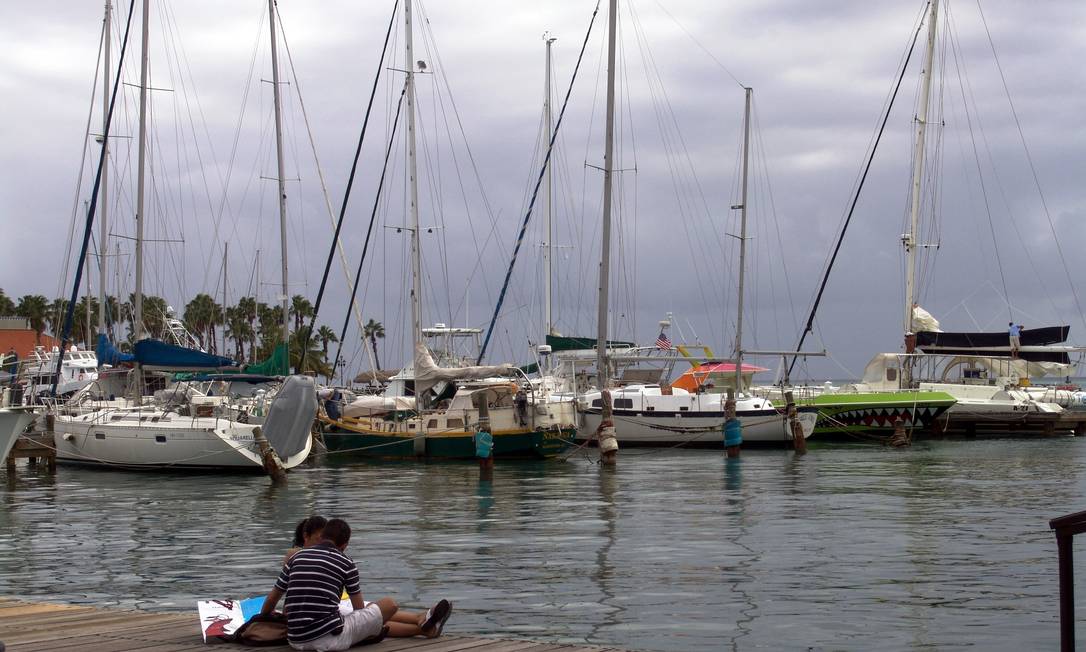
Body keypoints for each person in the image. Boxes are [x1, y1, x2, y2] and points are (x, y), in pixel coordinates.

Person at [261, 518, 452, 651]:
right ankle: (422, 625)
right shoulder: (346, 562)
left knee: (360, 614)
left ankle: (423, 626)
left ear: (322, 536)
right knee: (389, 605)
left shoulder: (295, 558)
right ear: (345, 545)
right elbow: (359, 610)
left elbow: (272, 599)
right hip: (329, 640)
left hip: (295, 639)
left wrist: (263, 618)